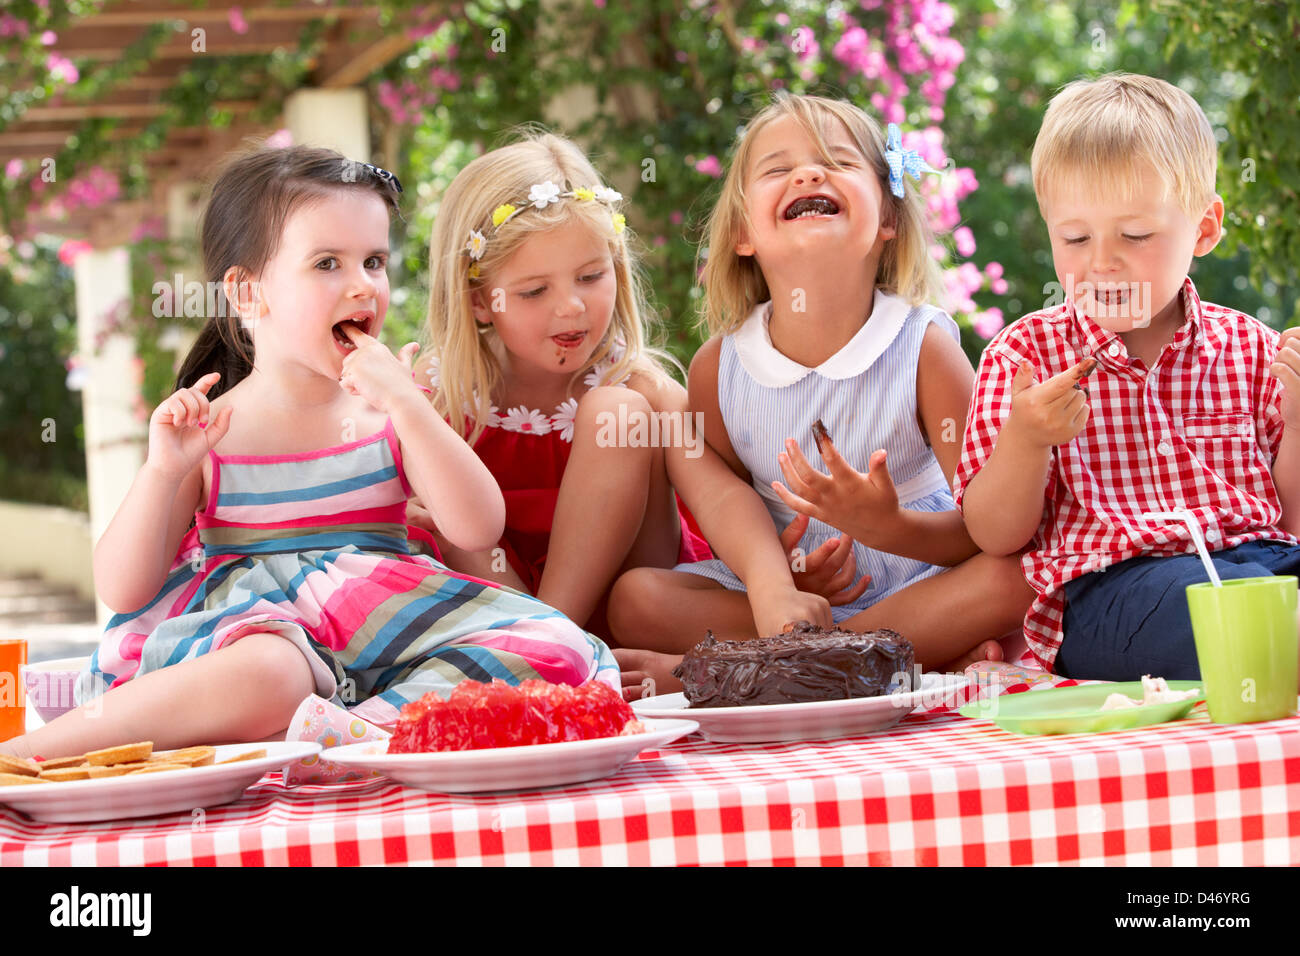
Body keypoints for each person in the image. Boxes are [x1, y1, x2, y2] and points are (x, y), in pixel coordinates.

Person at [0, 144, 616, 761]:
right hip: (252, 640)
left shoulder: (389, 407)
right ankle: (32, 753)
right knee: (273, 673)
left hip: (384, 633)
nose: (362, 286)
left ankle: (350, 734)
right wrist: (164, 472)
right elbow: (123, 588)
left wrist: (408, 405)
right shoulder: (212, 428)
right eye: (327, 263)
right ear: (246, 294)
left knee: (555, 648)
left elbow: (478, 526)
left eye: (374, 262)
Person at [611, 92, 1033, 694]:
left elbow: (983, 526)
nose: (809, 173)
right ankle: (887, 661)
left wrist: (889, 527)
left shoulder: (923, 347)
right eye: (778, 169)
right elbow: (731, 511)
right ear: (741, 233)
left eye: (837, 161)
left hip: (920, 580)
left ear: (887, 219)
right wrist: (784, 581)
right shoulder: (719, 368)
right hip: (791, 601)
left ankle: (748, 672)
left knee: (1014, 574)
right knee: (637, 599)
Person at [955, 73, 1300, 680]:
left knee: (1262, 596)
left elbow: (1290, 524)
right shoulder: (1025, 356)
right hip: (1111, 593)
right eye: (1075, 237)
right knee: (1249, 615)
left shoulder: (1250, 348)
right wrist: (1026, 442)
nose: (1102, 260)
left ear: (1205, 229)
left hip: (1261, 564)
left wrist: (1297, 425)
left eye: (1135, 234)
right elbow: (994, 536)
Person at [414, 131, 710, 641]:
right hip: (499, 606)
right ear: (480, 301)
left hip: (626, 615)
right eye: (534, 290)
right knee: (431, 478)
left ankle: (555, 642)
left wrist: (777, 566)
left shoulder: (645, 388)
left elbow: (722, 501)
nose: (571, 307)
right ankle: (543, 643)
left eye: (591, 277)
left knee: (618, 411)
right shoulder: (441, 393)